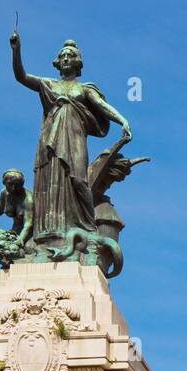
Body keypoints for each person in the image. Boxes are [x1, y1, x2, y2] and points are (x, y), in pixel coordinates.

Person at [9, 33, 132, 248]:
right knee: (49, 182)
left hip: (74, 139)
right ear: (58, 62)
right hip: (50, 140)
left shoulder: (83, 89)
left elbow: (102, 107)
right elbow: (21, 76)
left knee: (77, 180)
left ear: (77, 62)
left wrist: (122, 120)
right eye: (63, 56)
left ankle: (86, 226)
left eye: (70, 56)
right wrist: (16, 50)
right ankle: (49, 231)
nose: (66, 59)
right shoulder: (48, 84)